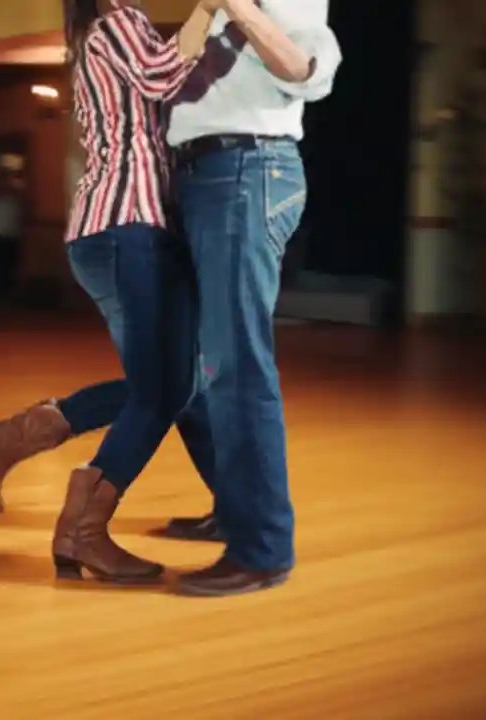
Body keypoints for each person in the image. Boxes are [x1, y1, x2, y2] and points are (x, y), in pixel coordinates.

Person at [0, 0, 219, 584]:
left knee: (176, 384)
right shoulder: (120, 22)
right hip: (132, 231)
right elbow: (162, 76)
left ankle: (7, 440)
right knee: (164, 391)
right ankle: (81, 533)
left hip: (104, 235)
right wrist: (210, 8)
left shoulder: (91, 36)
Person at [166, 0, 341, 595]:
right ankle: (235, 505)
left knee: (236, 365)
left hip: (248, 169)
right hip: (195, 176)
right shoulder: (206, 15)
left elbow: (307, 71)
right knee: (187, 366)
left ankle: (263, 549)